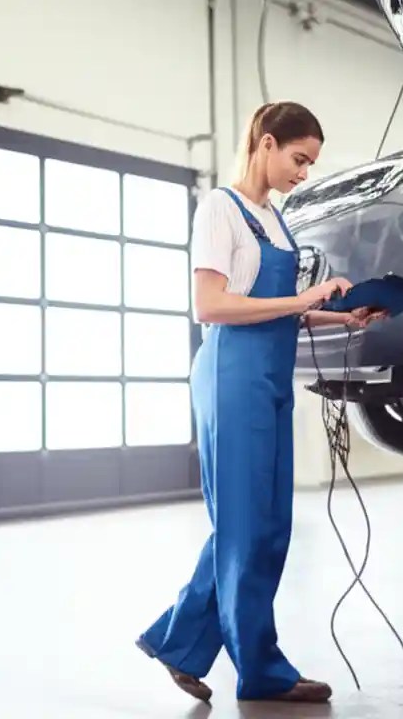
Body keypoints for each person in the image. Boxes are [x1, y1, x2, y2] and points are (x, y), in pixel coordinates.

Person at [135, 101, 386, 704]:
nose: (304, 172)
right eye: (299, 159)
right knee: (244, 526)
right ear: (266, 144)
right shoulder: (221, 209)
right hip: (232, 374)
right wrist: (304, 300)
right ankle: (261, 668)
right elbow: (213, 306)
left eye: (310, 163)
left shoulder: (276, 220)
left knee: (268, 525)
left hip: (271, 379)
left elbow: (277, 310)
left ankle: (179, 641)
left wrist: (337, 314)